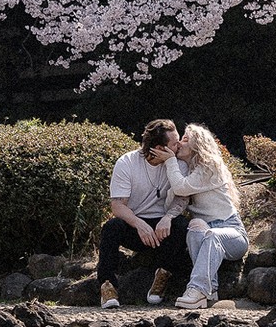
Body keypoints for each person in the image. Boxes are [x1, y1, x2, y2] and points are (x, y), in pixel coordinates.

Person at [97, 120, 194, 308]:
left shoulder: (177, 165)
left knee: (181, 225)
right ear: (159, 148)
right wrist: (138, 224)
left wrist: (168, 217)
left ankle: (162, 275)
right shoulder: (127, 162)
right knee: (111, 227)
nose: (179, 145)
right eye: (174, 143)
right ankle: (107, 286)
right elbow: (117, 206)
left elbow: (182, 199)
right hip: (135, 225)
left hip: (162, 228)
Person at [162, 123, 248, 307]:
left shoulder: (209, 166)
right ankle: (211, 291)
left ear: (197, 145)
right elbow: (172, 200)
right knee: (195, 227)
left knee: (211, 235)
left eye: (185, 139)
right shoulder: (187, 171)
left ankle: (198, 289)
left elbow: (180, 187)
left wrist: (170, 161)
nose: (179, 143)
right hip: (209, 229)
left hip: (232, 232)